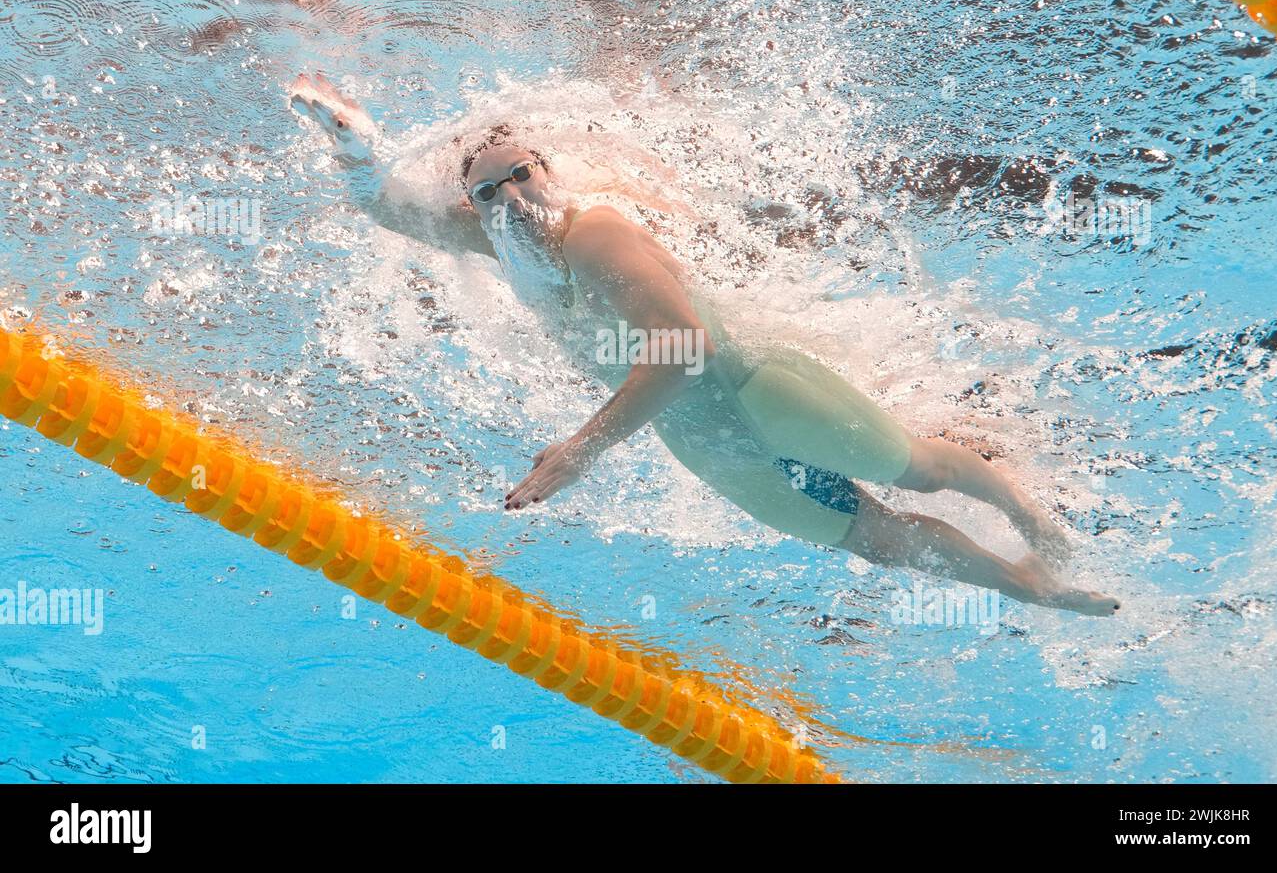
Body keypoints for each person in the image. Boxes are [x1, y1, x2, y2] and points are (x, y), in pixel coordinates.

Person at [290, 73, 1120, 617]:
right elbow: (398, 213)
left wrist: (580, 449)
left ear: (549, 172)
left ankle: (1023, 509)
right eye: (489, 190)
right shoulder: (509, 245)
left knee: (923, 470)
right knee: (885, 543)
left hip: (761, 392)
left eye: (520, 174)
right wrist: (356, 150)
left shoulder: (594, 234)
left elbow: (682, 349)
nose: (510, 195)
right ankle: (1026, 586)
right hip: (708, 444)